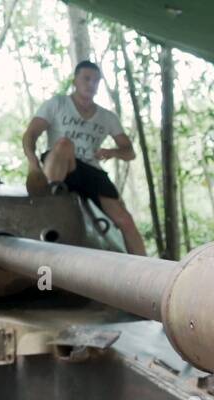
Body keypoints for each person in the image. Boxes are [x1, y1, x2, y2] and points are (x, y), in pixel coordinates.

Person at [21, 60, 147, 255]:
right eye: (86, 79)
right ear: (75, 81)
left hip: (90, 170)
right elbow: (30, 134)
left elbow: (129, 152)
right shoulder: (58, 104)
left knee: (126, 221)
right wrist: (33, 162)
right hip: (61, 163)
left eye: (96, 81)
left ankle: (146, 273)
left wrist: (111, 152)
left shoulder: (107, 117)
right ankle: (50, 193)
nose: (91, 84)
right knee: (64, 143)